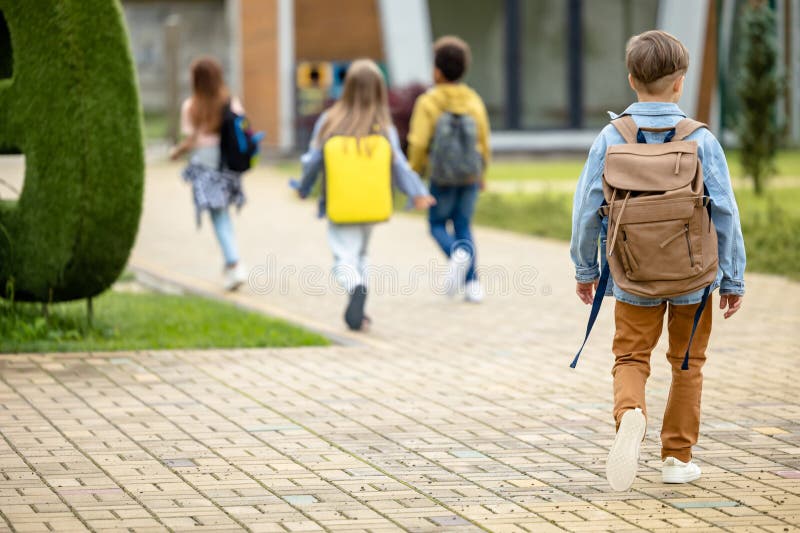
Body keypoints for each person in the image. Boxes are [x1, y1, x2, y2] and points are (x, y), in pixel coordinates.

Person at [570, 30, 746, 491]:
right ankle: (676, 458)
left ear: (632, 80)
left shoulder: (611, 137)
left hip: (632, 275)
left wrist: (585, 269)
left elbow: (586, 209)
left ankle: (631, 414)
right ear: (680, 83)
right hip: (695, 277)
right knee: (688, 363)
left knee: (631, 356)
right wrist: (733, 277)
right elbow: (725, 210)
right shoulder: (700, 140)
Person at [296, 59, 435, 331]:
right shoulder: (384, 128)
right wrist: (418, 192)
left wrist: (303, 186)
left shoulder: (330, 122)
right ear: (379, 92)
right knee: (361, 254)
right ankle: (361, 309)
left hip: (341, 204)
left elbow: (313, 161)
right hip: (372, 205)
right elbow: (399, 166)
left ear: (346, 89)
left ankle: (354, 287)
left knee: (343, 259)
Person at [407, 36, 491, 303]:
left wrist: (414, 175)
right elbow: (483, 139)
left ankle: (457, 255)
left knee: (436, 224)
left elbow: (418, 142)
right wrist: (482, 173)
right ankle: (473, 285)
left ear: (437, 71)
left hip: (441, 176)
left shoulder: (428, 102)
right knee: (464, 225)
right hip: (469, 174)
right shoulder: (473, 99)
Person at [170, 57, 247, 291]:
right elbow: (242, 129)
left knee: (219, 217)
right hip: (227, 164)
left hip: (205, 163)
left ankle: (234, 265)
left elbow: (192, 139)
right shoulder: (230, 103)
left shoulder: (191, 107)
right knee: (223, 215)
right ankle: (232, 263)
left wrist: (177, 152)